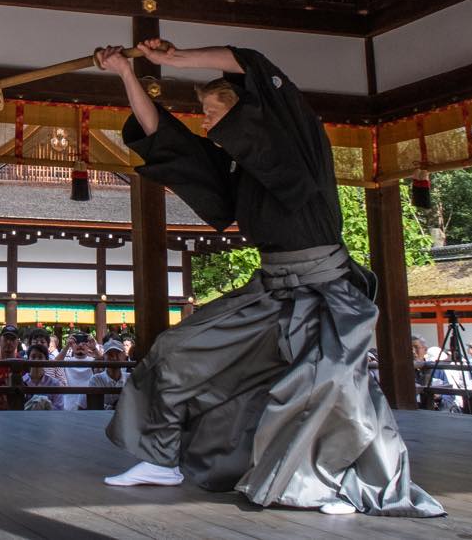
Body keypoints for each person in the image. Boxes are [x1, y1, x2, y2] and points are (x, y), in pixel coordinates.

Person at [95, 40, 443, 517]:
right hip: (270, 291)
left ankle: (345, 484)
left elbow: (253, 62)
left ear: (250, 110)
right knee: (177, 352)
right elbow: (164, 138)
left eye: (213, 110)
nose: (206, 121)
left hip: (325, 289)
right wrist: (124, 75)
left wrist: (172, 60)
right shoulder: (237, 168)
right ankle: (160, 459)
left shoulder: (297, 138)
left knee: (335, 382)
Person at [55, 331, 101, 410]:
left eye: (84, 343)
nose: (80, 345)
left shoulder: (93, 361)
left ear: (88, 346)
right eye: (77, 343)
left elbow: (104, 363)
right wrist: (67, 346)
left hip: (88, 402)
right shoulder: (66, 360)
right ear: (72, 346)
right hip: (69, 403)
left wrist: (94, 348)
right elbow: (56, 363)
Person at [88, 339, 130, 410]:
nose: (114, 358)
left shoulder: (130, 378)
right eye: (110, 354)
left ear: (124, 356)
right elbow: (94, 406)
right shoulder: (96, 379)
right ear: (104, 356)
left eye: (117, 354)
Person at [22, 344, 63, 410]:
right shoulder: (21, 381)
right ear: (28, 359)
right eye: (33, 356)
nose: (36, 360)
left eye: (40, 357)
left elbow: (59, 408)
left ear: (46, 360)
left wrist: (45, 405)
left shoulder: (54, 383)